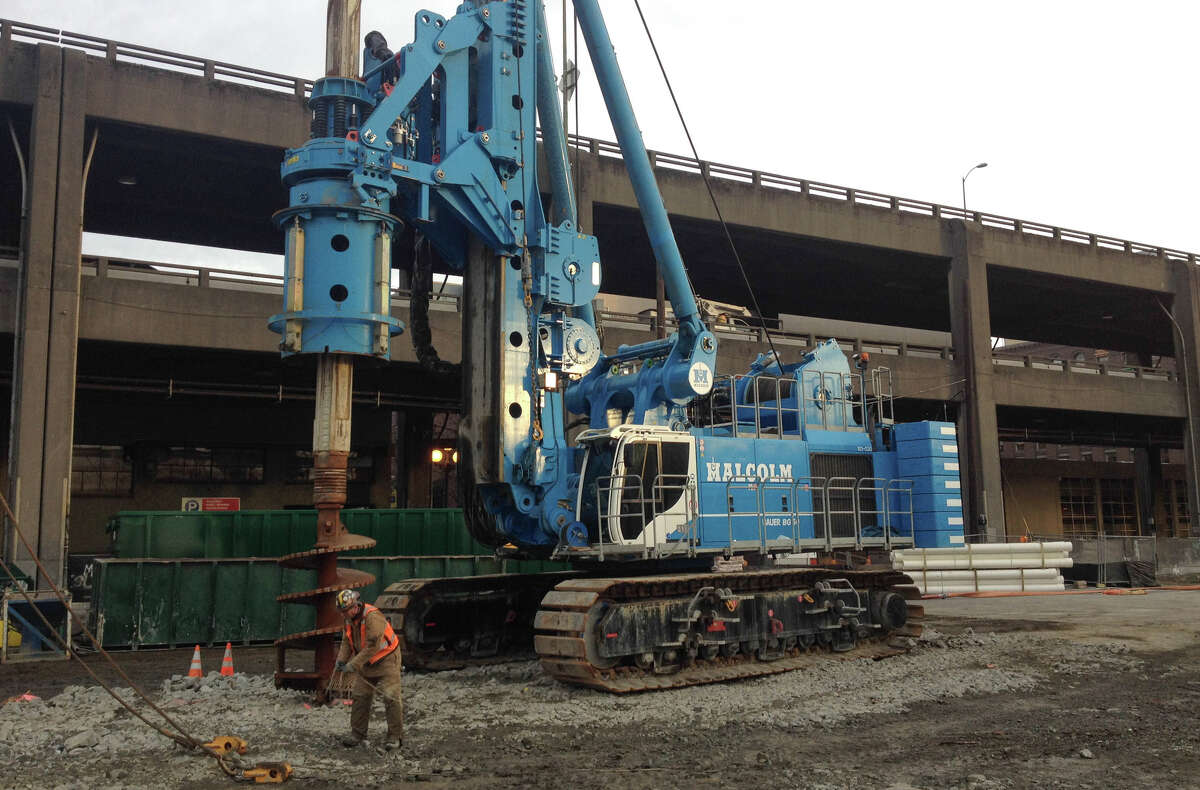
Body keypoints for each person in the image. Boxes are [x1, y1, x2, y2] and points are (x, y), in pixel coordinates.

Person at [333, 589, 403, 750]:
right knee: (360, 696)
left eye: (345, 611)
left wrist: (353, 664)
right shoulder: (348, 619)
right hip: (366, 662)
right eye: (342, 612)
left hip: (387, 660)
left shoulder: (372, 617)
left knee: (391, 697)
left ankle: (395, 737)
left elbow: (372, 646)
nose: (344, 615)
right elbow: (346, 641)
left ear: (355, 606)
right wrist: (341, 661)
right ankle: (357, 735)